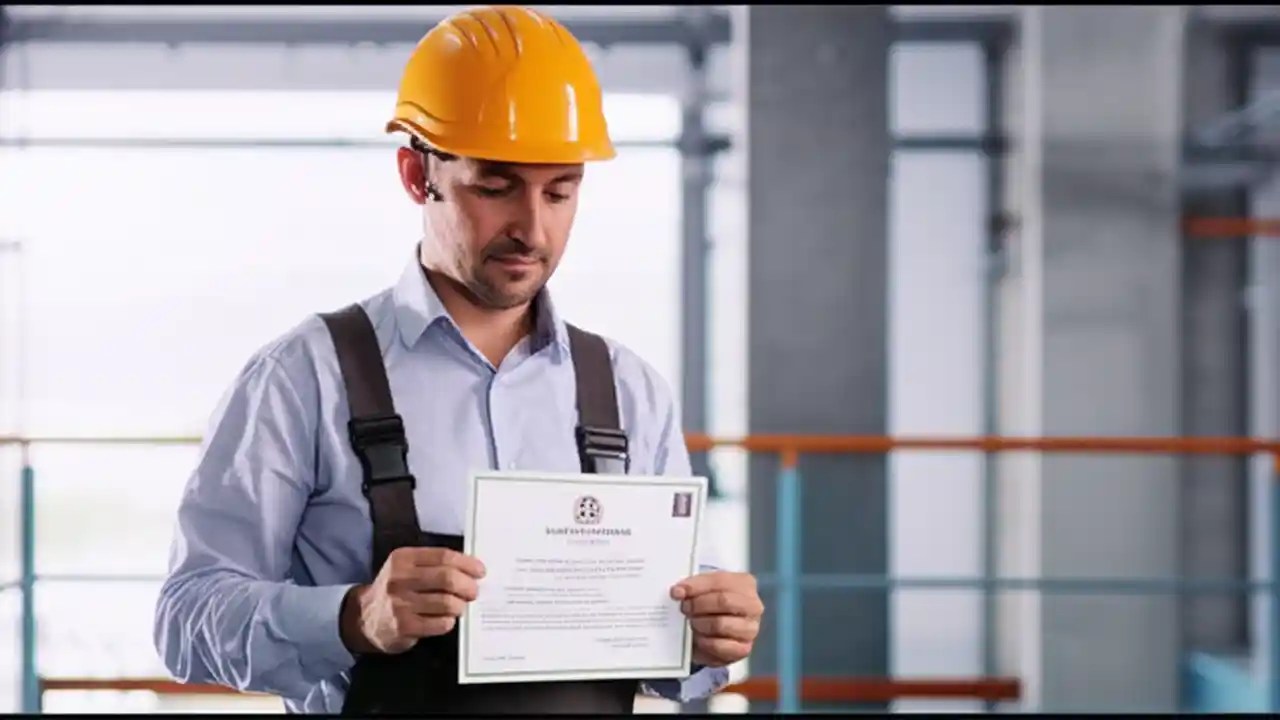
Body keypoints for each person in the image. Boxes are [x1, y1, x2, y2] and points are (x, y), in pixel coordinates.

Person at [152, 5, 764, 715]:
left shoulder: (630, 393)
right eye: (496, 187)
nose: (532, 228)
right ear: (418, 174)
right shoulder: (303, 378)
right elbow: (187, 618)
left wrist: (709, 634)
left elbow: (671, 647)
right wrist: (352, 618)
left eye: (560, 191)